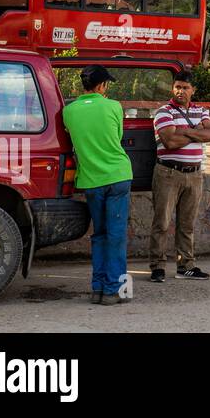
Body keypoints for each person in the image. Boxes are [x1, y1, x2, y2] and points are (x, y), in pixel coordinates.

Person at [61, 65, 134, 304]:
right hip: (118, 176)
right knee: (116, 235)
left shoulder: (69, 111)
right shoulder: (113, 106)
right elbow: (118, 138)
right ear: (102, 86)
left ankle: (98, 289)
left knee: (100, 234)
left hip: (91, 180)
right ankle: (114, 290)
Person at [149, 69, 210, 283]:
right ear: (172, 88)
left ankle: (185, 265)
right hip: (168, 172)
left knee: (187, 224)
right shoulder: (163, 112)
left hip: (194, 174)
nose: (180, 91)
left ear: (192, 90)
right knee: (162, 222)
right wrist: (195, 132)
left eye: (185, 88)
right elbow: (169, 142)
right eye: (177, 87)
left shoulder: (202, 111)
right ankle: (157, 267)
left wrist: (183, 131)